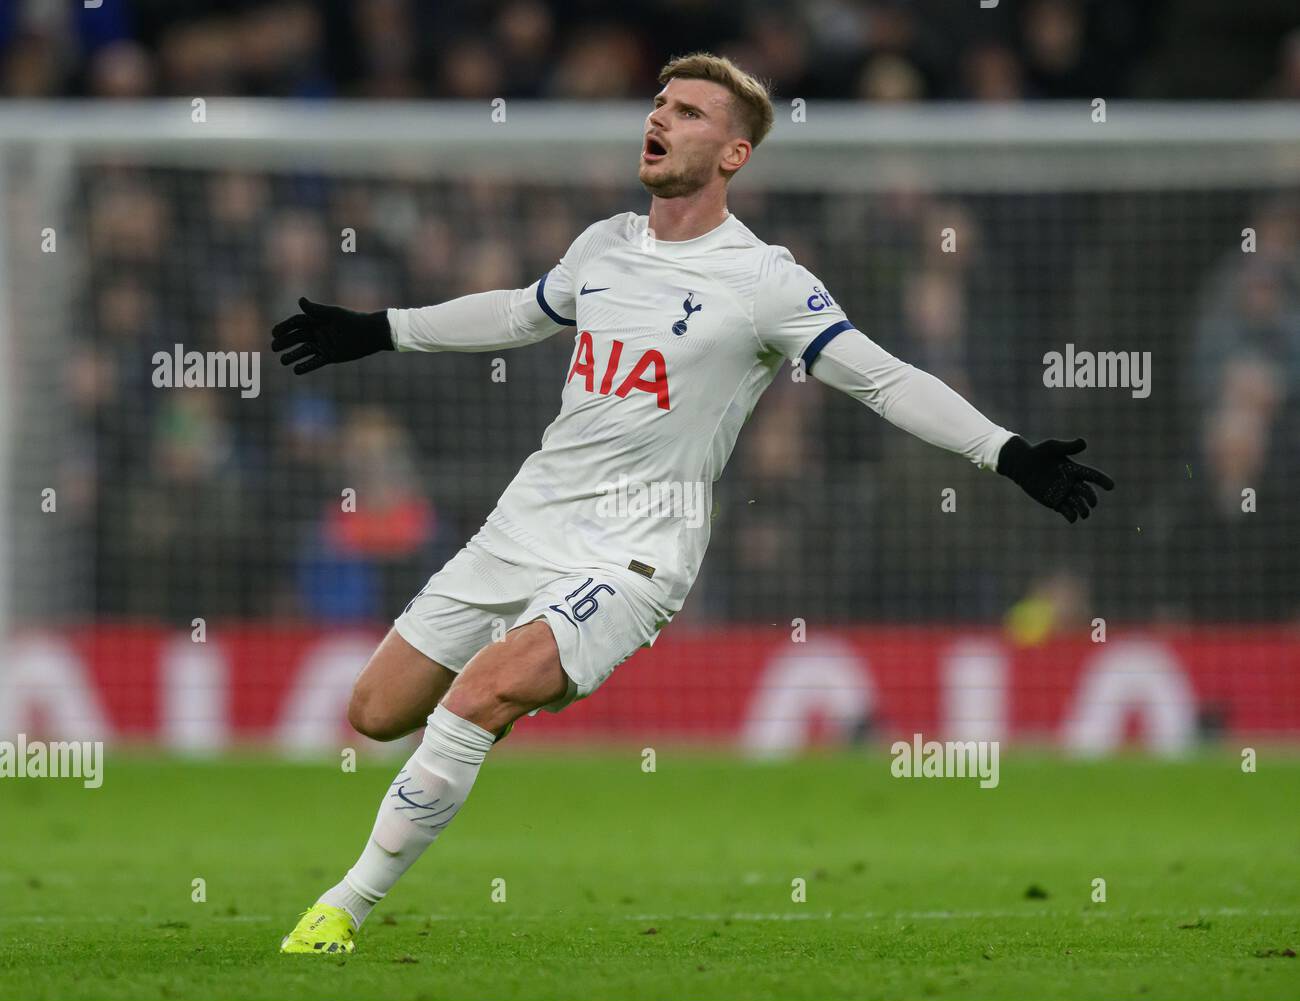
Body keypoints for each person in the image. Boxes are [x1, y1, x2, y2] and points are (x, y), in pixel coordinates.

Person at [271, 52, 1113, 954]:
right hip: (523, 525)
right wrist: (380, 331)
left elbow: (882, 378)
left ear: (733, 154)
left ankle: (342, 908)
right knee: (375, 711)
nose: (660, 118)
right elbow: (520, 313)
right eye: (659, 103)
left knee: (480, 692)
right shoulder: (602, 245)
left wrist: (1006, 452)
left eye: (689, 112)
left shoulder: (765, 281)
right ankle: (487, 717)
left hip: (635, 554)